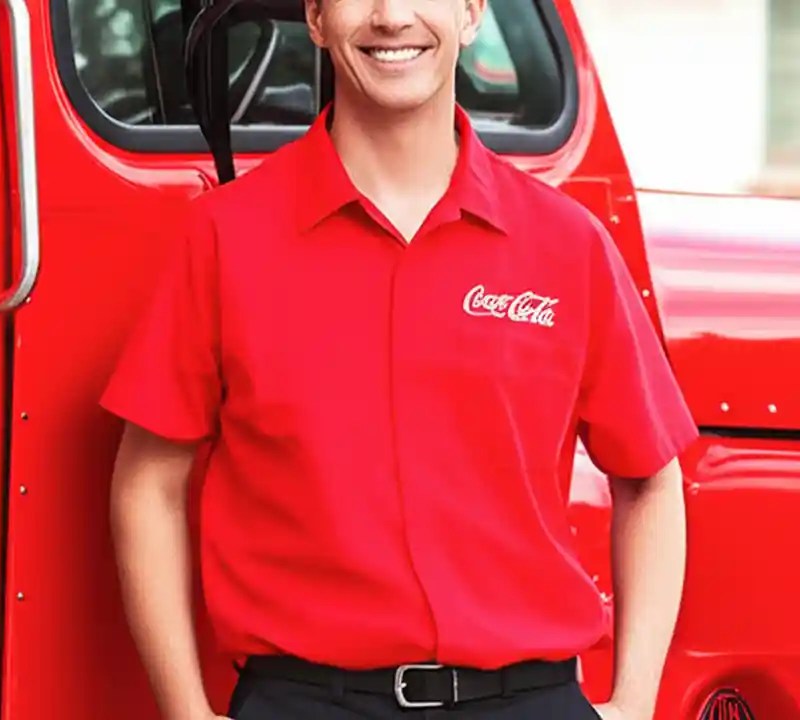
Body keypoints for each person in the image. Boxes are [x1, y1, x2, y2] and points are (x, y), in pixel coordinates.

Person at [100, 0, 697, 718]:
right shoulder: (226, 239)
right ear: (316, 18)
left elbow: (651, 481)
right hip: (305, 700)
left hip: (527, 699)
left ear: (472, 13)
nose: (390, 17)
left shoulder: (568, 245)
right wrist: (186, 713)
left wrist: (634, 703)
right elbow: (147, 484)